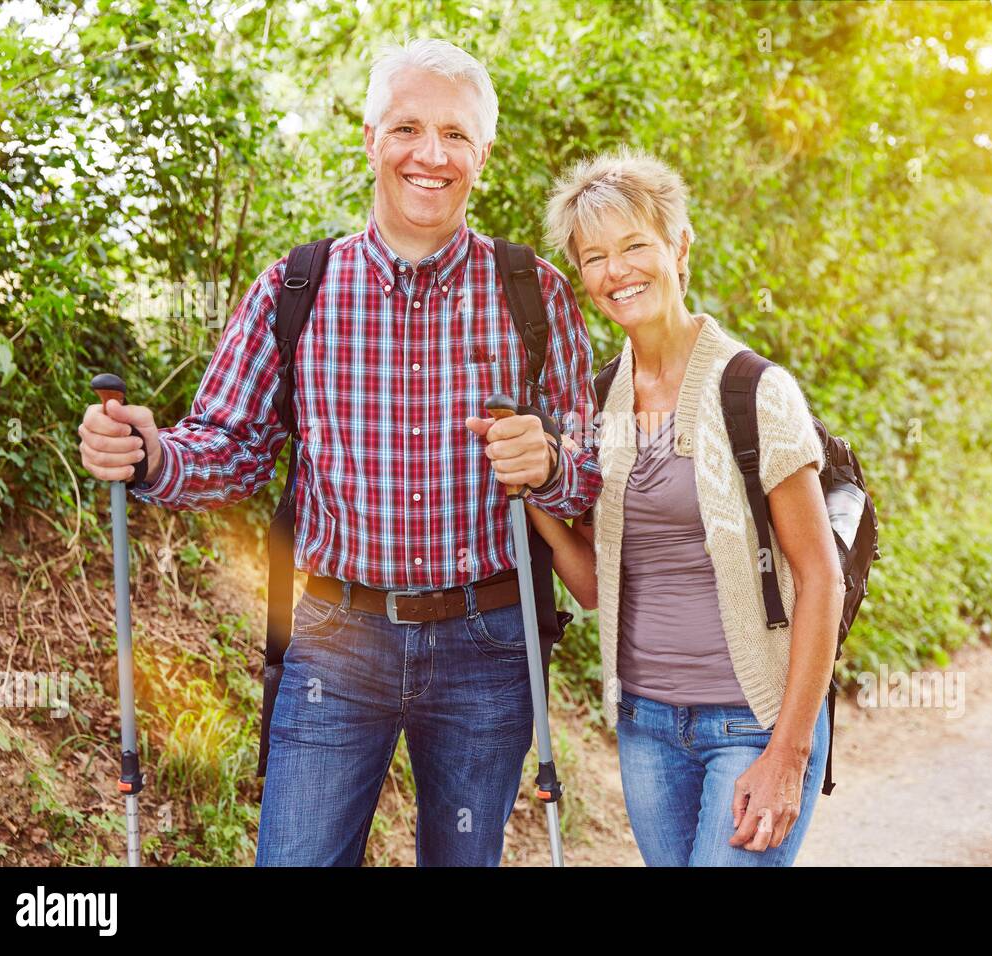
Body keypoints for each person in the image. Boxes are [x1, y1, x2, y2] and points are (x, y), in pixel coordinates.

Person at [77, 38, 601, 866]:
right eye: (408, 128)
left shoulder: (533, 292)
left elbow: (594, 467)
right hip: (335, 641)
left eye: (456, 135)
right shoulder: (297, 288)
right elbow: (230, 447)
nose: (431, 155)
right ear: (369, 138)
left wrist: (553, 465)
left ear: (484, 153)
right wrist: (147, 455)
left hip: (491, 642)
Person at [527, 148, 843, 866]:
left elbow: (821, 577)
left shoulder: (754, 392)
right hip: (645, 727)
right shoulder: (599, 402)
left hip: (754, 722)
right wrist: (534, 491)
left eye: (636, 245)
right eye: (596, 256)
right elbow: (595, 584)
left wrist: (789, 753)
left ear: (680, 246)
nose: (618, 270)